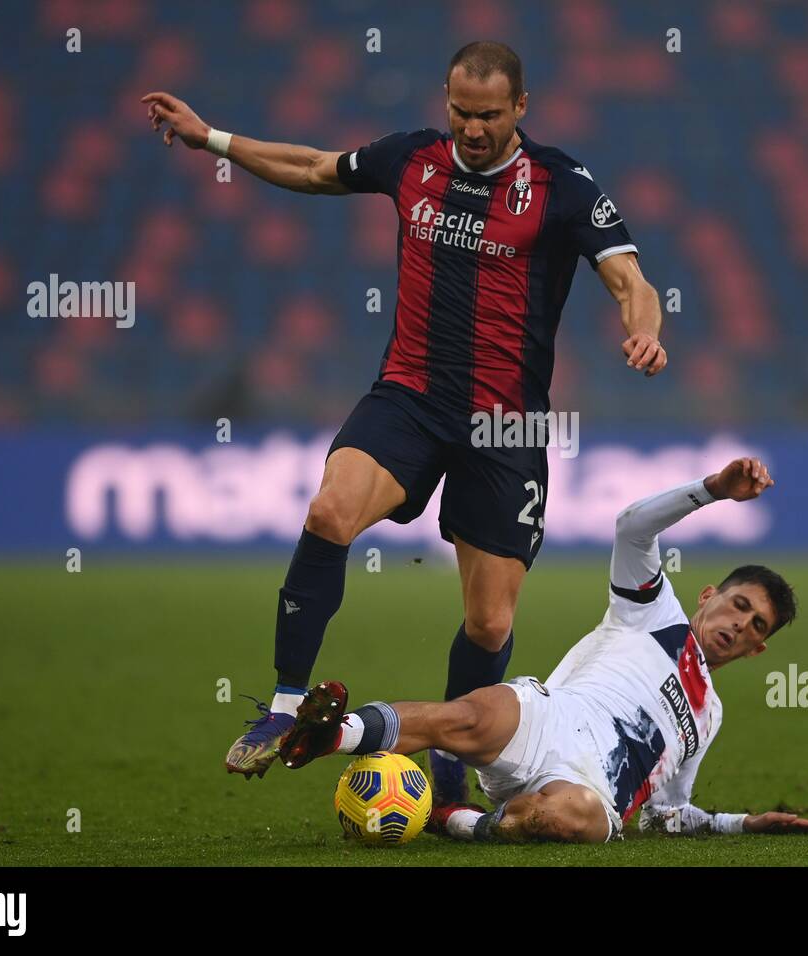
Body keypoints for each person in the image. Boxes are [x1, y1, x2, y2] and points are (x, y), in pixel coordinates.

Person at [141, 41, 666, 802]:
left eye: (488, 114)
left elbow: (629, 277)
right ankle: (286, 705)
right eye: (460, 111)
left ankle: (451, 763)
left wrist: (644, 328)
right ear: (444, 100)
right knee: (328, 510)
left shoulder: (563, 185)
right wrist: (212, 138)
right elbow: (314, 167)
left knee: (488, 625)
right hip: (409, 398)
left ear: (521, 108)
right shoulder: (413, 159)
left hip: (504, 425)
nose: (473, 127)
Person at [282, 457, 808, 842]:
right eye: (739, 605)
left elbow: (666, 816)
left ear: (758, 648)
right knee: (469, 714)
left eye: (756, 624)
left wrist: (741, 823)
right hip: (552, 718)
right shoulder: (654, 611)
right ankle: (330, 734)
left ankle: (456, 820)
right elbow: (633, 528)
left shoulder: (709, 715)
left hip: (592, 791)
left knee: (569, 818)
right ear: (710, 595)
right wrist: (712, 488)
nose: (740, 624)